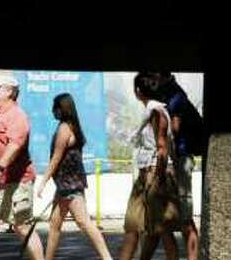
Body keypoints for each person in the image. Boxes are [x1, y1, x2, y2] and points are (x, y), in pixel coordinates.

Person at [0, 73, 45, 260]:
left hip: (14, 184)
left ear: (9, 91)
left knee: (22, 226)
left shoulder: (17, 115)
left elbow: (15, 144)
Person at [37, 92, 114, 260]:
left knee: (83, 222)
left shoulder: (65, 128)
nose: (52, 111)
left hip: (69, 185)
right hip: (65, 185)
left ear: (62, 109)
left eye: (55, 108)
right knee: (54, 224)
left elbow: (55, 159)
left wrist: (42, 182)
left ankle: (107, 257)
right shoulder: (72, 126)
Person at [120, 72, 177, 260]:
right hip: (146, 174)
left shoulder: (156, 111)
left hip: (155, 173)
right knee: (135, 224)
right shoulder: (151, 111)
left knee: (162, 228)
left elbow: (162, 149)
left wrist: (157, 180)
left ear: (137, 91)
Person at [157, 73, 201, 260]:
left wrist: (169, 159)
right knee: (168, 217)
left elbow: (174, 129)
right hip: (176, 159)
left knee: (184, 214)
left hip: (180, 159)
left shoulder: (175, 97)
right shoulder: (170, 94)